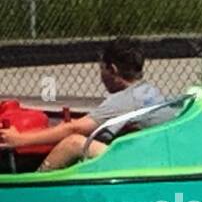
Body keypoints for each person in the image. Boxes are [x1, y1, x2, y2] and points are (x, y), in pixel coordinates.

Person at [0, 38, 171, 172]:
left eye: (101, 68)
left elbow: (74, 129)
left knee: (73, 143)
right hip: (159, 154)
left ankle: (32, 186)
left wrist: (19, 140)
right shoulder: (149, 91)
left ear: (112, 69)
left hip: (145, 162)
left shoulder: (124, 100)